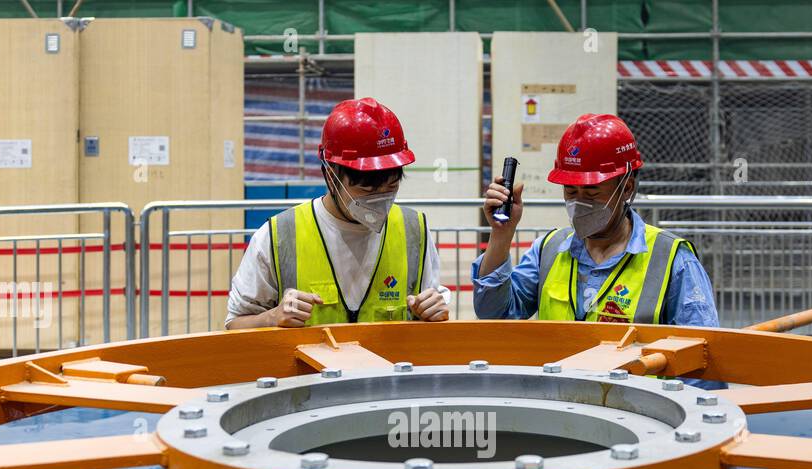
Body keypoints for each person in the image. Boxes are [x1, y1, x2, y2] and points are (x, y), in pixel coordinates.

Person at [472, 114, 717, 328]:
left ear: (627, 188)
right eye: (570, 191)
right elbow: (494, 313)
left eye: (592, 192)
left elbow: (702, 355)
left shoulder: (671, 261)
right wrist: (501, 235)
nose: (579, 203)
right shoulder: (549, 251)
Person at [227, 98, 449, 328]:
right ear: (330, 175)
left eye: (391, 186)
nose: (380, 198)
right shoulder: (280, 235)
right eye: (366, 189)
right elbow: (235, 324)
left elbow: (432, 318)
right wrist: (271, 317)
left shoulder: (414, 230)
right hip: (310, 365)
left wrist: (434, 314)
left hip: (390, 364)